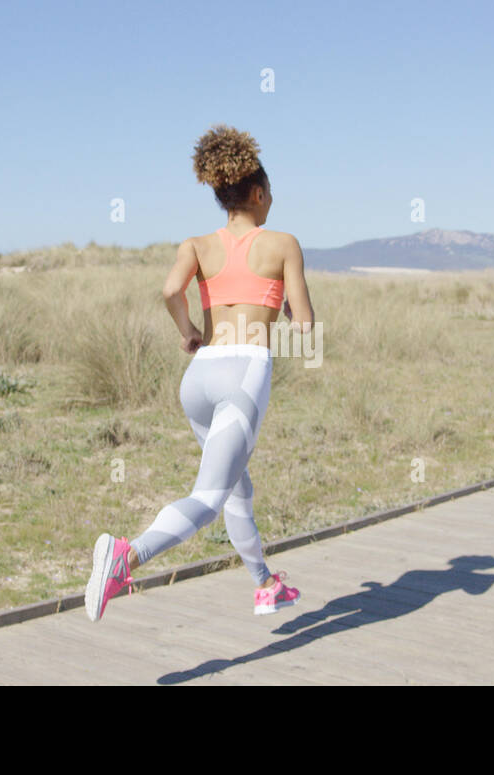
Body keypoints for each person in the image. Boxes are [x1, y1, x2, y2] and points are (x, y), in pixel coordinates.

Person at [86, 124, 315, 622]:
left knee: (236, 486)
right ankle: (127, 556)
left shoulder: (195, 245)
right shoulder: (283, 244)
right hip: (244, 373)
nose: (272, 201)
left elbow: (171, 292)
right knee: (209, 498)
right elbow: (305, 321)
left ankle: (264, 583)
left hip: (198, 377)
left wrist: (188, 330)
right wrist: (292, 313)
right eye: (270, 193)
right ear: (257, 193)